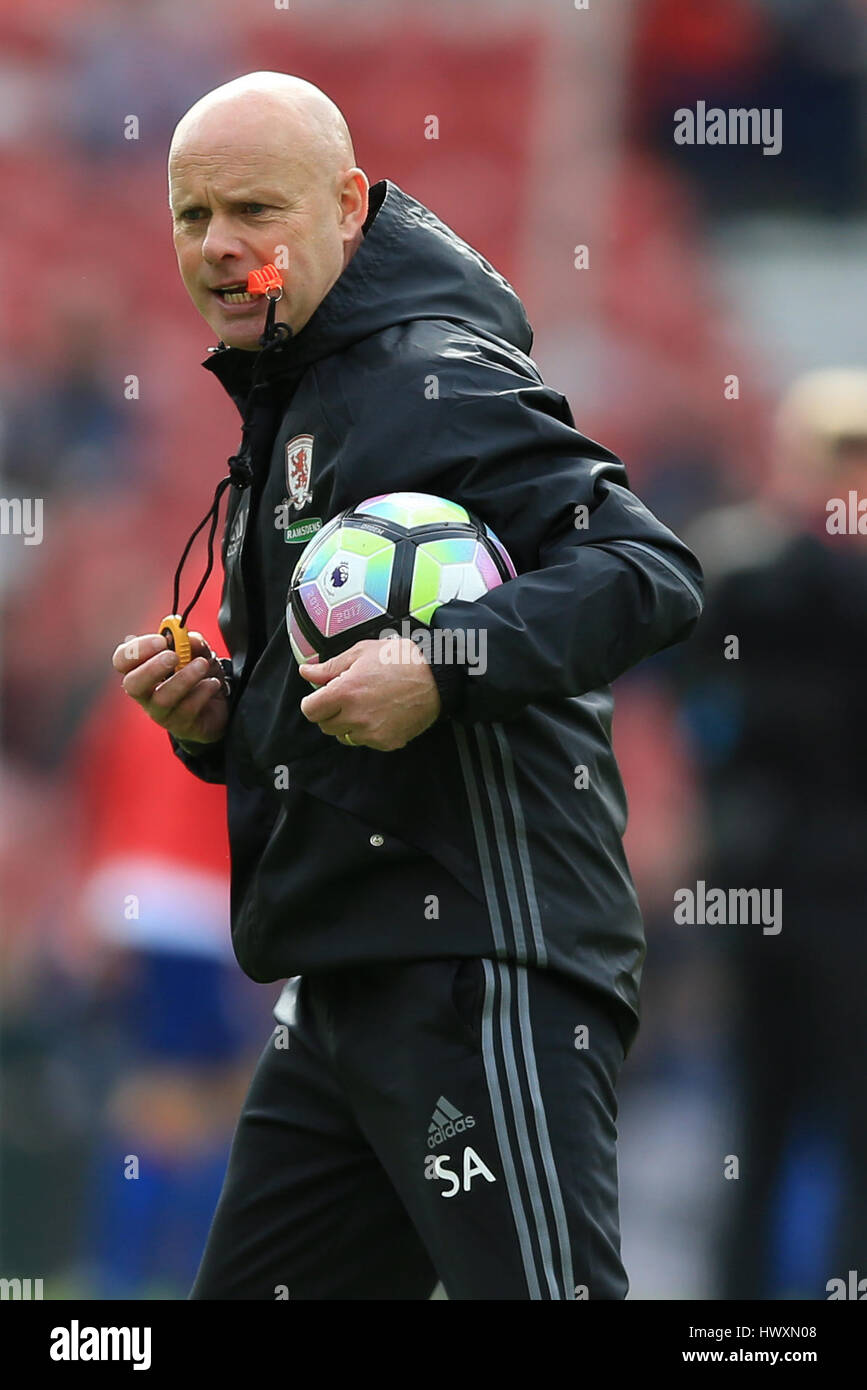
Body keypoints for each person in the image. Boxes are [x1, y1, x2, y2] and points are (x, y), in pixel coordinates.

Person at [111, 71, 703, 1300]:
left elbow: (647, 569)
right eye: (192, 216)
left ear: (347, 205)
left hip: (483, 967)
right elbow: (344, 697)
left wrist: (444, 665)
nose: (220, 247)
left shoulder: (430, 376)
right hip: (348, 981)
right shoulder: (298, 393)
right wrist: (223, 719)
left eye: (254, 211)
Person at [677, 369, 867, 1298]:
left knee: (773, 1121)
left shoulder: (730, 563)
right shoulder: (745, 568)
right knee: (764, 1116)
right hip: (787, 886)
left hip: (769, 880)